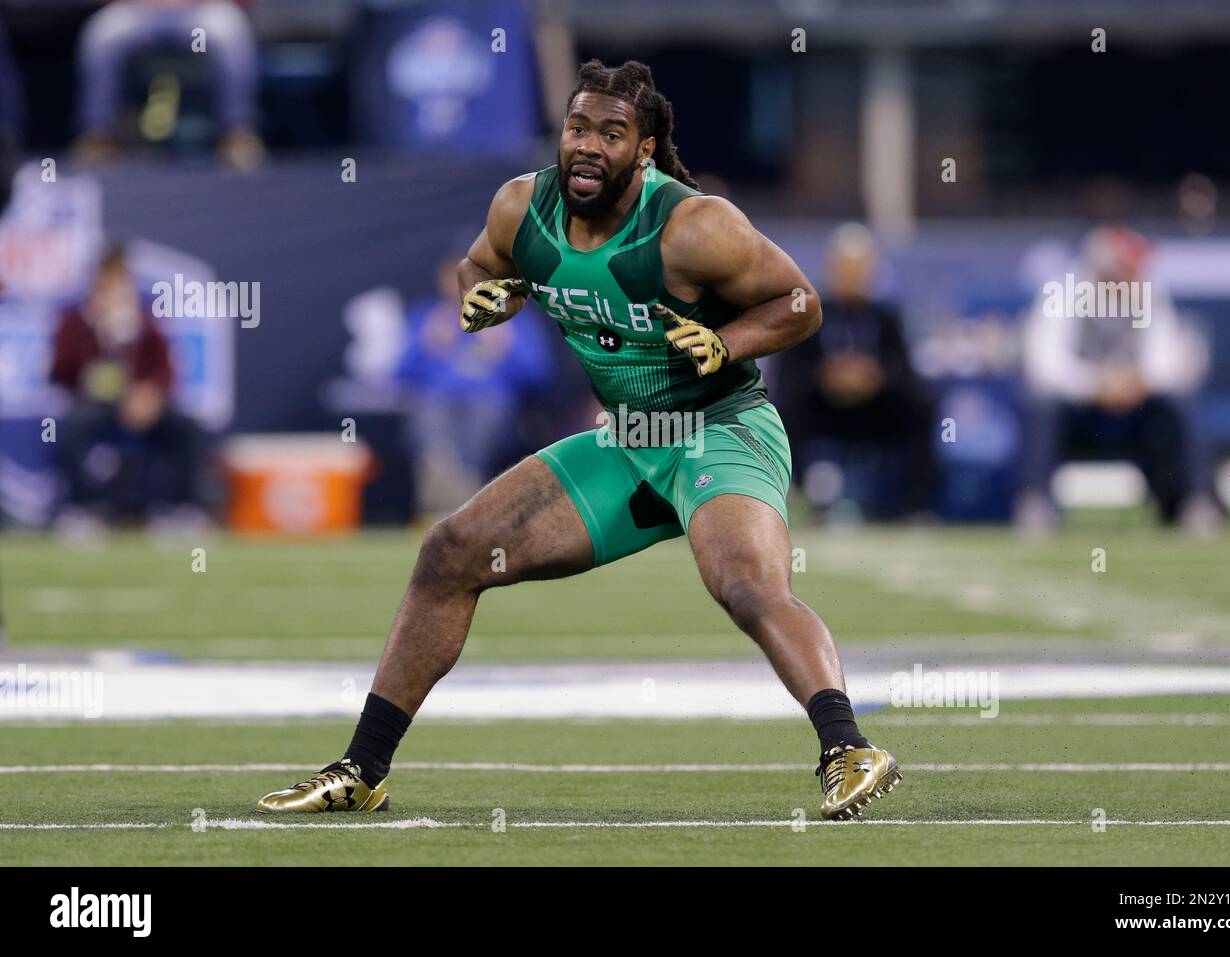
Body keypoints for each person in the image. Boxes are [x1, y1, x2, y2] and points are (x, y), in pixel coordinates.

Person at [257, 60, 900, 821]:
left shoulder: (694, 225)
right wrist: (482, 299)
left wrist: (726, 341)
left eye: (611, 133)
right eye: (577, 127)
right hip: (629, 440)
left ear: (647, 150)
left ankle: (847, 747)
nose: (587, 146)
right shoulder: (521, 208)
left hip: (716, 428)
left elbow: (801, 301)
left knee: (747, 585)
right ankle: (363, 769)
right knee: (451, 551)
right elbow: (477, 269)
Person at [1016, 226, 1220, 534]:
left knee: (1181, 402)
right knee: (1042, 404)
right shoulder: (1063, 291)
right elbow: (1045, 366)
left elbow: (1167, 360)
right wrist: (1097, 384)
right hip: (1080, 413)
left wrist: (1135, 381)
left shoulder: (1149, 291)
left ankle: (1195, 500)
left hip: (1134, 408)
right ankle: (1036, 501)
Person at [778, 223, 936, 520]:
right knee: (782, 409)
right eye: (846, 268)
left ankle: (916, 506)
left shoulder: (887, 317)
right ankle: (796, 494)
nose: (853, 276)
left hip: (875, 408)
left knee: (922, 406)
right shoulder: (807, 311)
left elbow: (907, 373)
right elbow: (788, 374)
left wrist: (876, 376)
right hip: (822, 408)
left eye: (860, 268)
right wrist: (826, 376)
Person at [48, 245, 206, 535]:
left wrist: (150, 395)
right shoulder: (75, 321)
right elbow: (58, 370)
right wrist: (94, 334)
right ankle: (80, 510)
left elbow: (166, 369)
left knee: (188, 428)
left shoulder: (143, 321)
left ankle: (182, 510)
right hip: (97, 404)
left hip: (141, 404)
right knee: (70, 428)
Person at [394, 255, 553, 517]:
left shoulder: (511, 316)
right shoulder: (429, 316)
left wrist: (505, 349)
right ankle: (449, 488)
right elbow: (398, 374)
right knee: (432, 417)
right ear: (442, 278)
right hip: (438, 401)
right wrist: (428, 345)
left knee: (482, 419)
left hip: (493, 403)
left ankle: (455, 498)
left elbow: (539, 377)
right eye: (453, 274)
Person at [73, 0, 264, 170]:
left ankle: (238, 135)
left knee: (230, 34)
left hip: (201, 10)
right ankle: (99, 137)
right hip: (137, 10)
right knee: (102, 38)